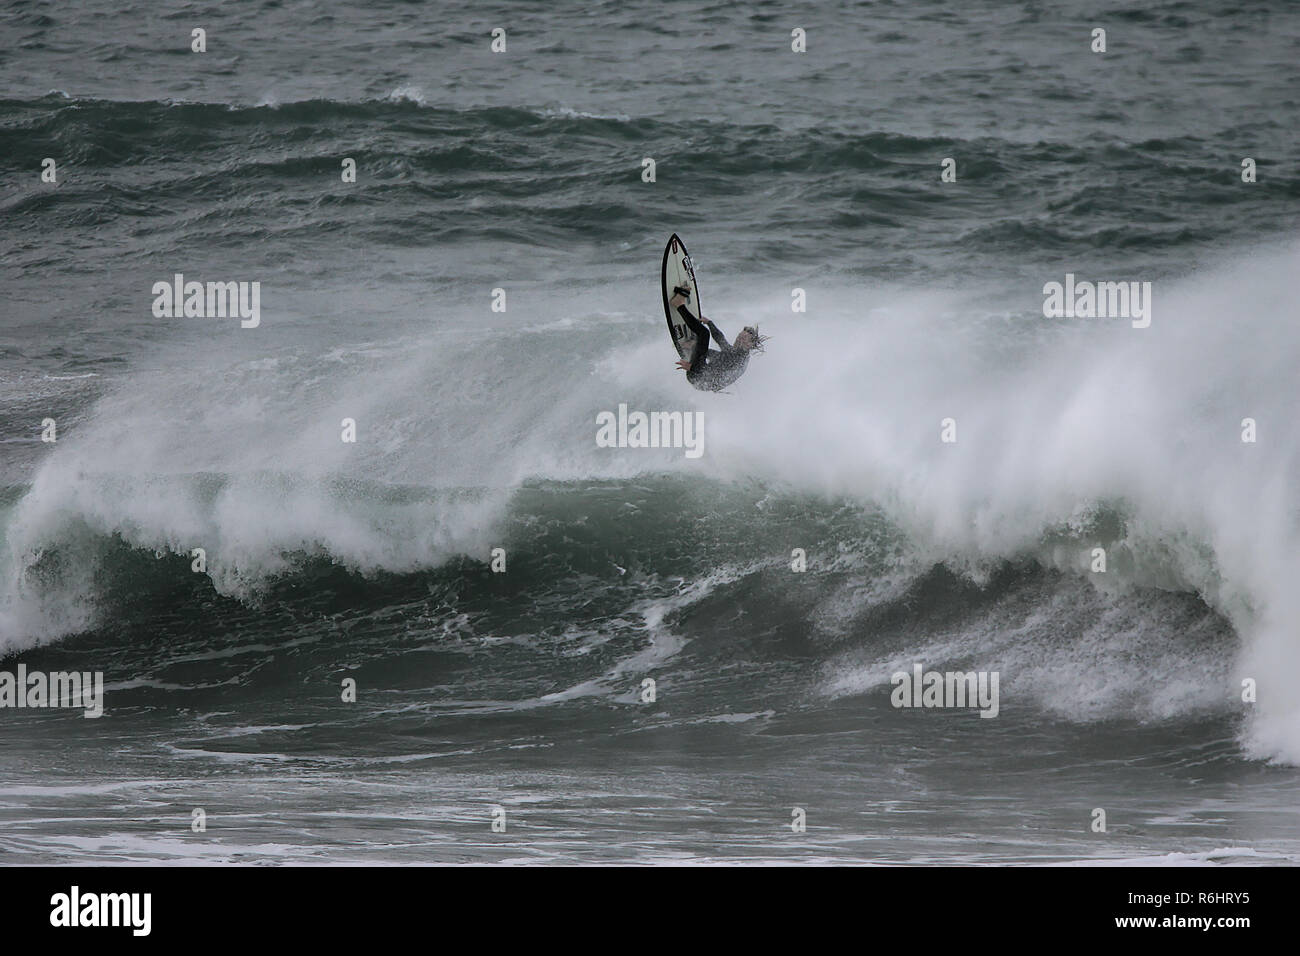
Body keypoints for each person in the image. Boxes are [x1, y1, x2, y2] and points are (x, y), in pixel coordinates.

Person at [668, 285, 767, 392]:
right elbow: (721, 341)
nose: (738, 339)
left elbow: (716, 378)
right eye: (739, 336)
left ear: (749, 345)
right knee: (703, 340)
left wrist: (692, 367)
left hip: (700, 379)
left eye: (743, 339)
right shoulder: (738, 352)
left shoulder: (737, 359)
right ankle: (690, 344)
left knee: (704, 334)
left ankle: (678, 303)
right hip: (703, 373)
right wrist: (710, 323)